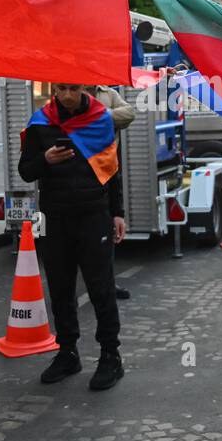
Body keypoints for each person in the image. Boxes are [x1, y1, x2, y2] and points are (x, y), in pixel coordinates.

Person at [19, 83, 126, 390]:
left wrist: (117, 213)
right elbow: (26, 170)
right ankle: (67, 352)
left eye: (73, 89)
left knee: (101, 289)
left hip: (94, 216)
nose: (67, 96)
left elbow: (112, 169)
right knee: (61, 288)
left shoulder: (101, 119)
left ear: (84, 89)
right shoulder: (40, 122)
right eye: (61, 89)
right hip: (54, 219)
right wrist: (45, 161)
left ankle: (110, 356)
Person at [89, 84, 135, 299]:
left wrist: (104, 115)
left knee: (106, 232)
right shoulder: (69, 92)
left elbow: (128, 113)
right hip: (79, 169)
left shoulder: (107, 93)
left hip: (106, 168)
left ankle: (108, 282)